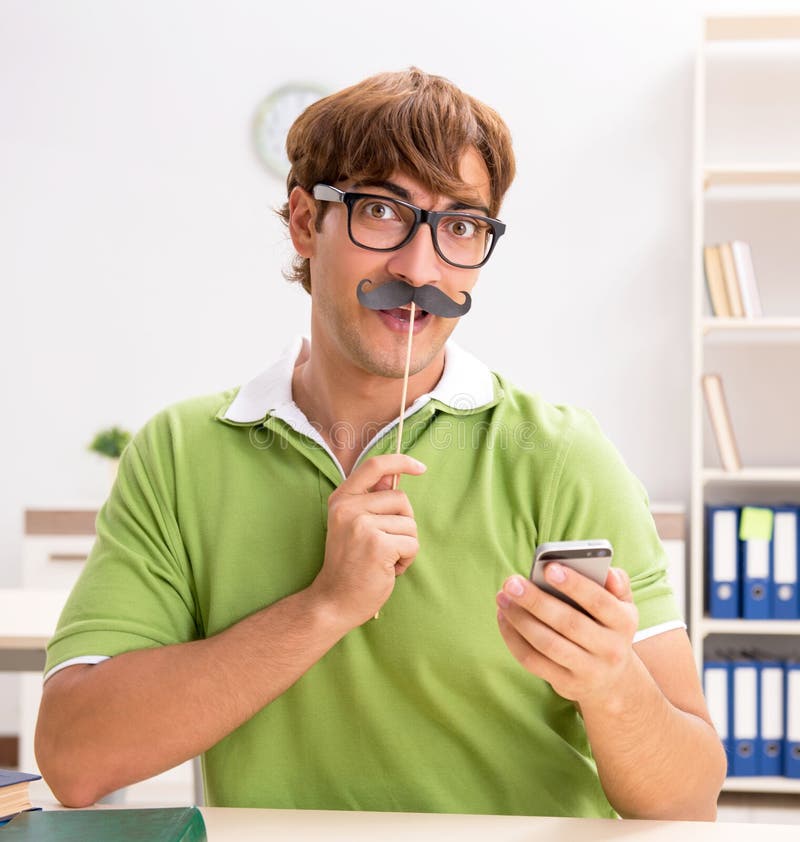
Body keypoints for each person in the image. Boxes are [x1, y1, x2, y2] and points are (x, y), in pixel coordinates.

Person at [35, 68, 726, 819]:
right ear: (306, 222)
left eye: (461, 226)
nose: (419, 268)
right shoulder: (179, 454)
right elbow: (75, 760)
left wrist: (608, 682)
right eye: (383, 213)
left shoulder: (559, 456)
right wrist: (325, 606)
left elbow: (689, 800)